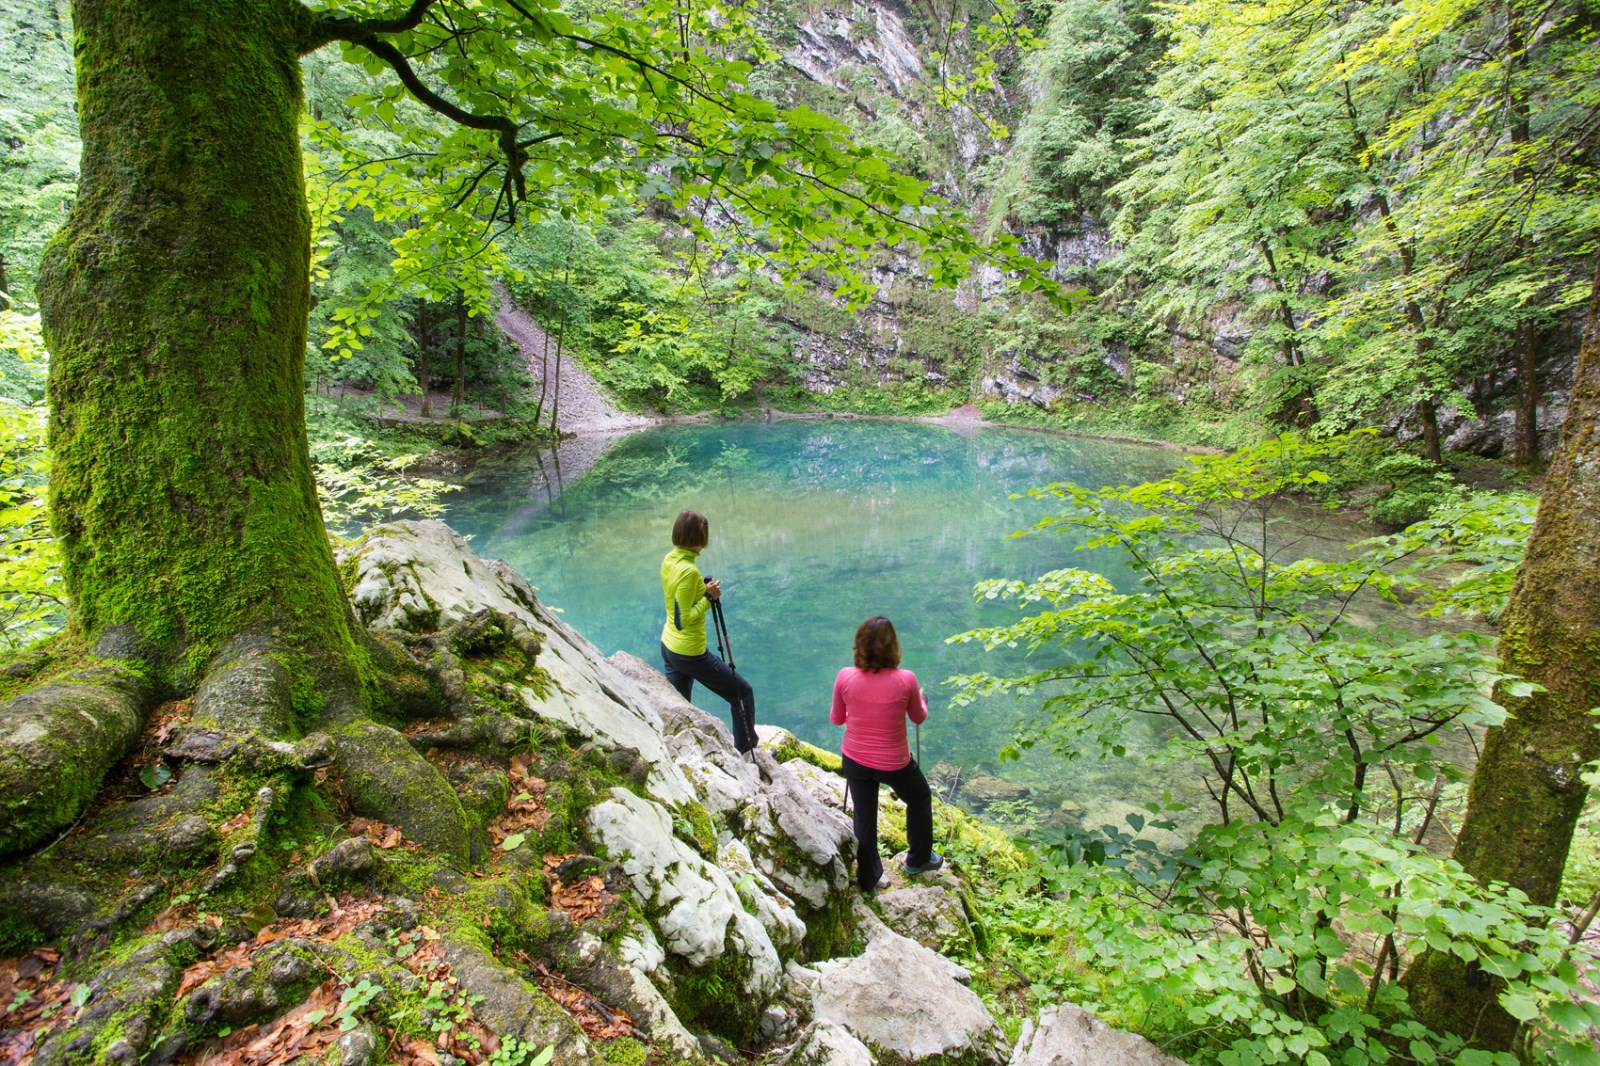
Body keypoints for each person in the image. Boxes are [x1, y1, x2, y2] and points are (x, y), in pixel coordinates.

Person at [831, 615, 944, 893]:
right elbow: (918, 718)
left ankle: (869, 878)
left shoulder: (845, 676)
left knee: (865, 816)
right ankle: (917, 860)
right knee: (918, 797)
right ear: (893, 646)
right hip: (894, 763)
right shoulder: (906, 680)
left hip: (855, 760)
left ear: (859, 645)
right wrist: (922, 700)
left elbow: (837, 718)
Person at [659, 509, 757, 754]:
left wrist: (700, 591)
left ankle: (673, 749)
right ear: (701, 539)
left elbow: (677, 602)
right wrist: (709, 597)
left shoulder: (670, 559)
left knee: (679, 707)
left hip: (669, 646)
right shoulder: (690, 571)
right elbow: (684, 619)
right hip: (689, 651)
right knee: (742, 693)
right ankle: (747, 751)